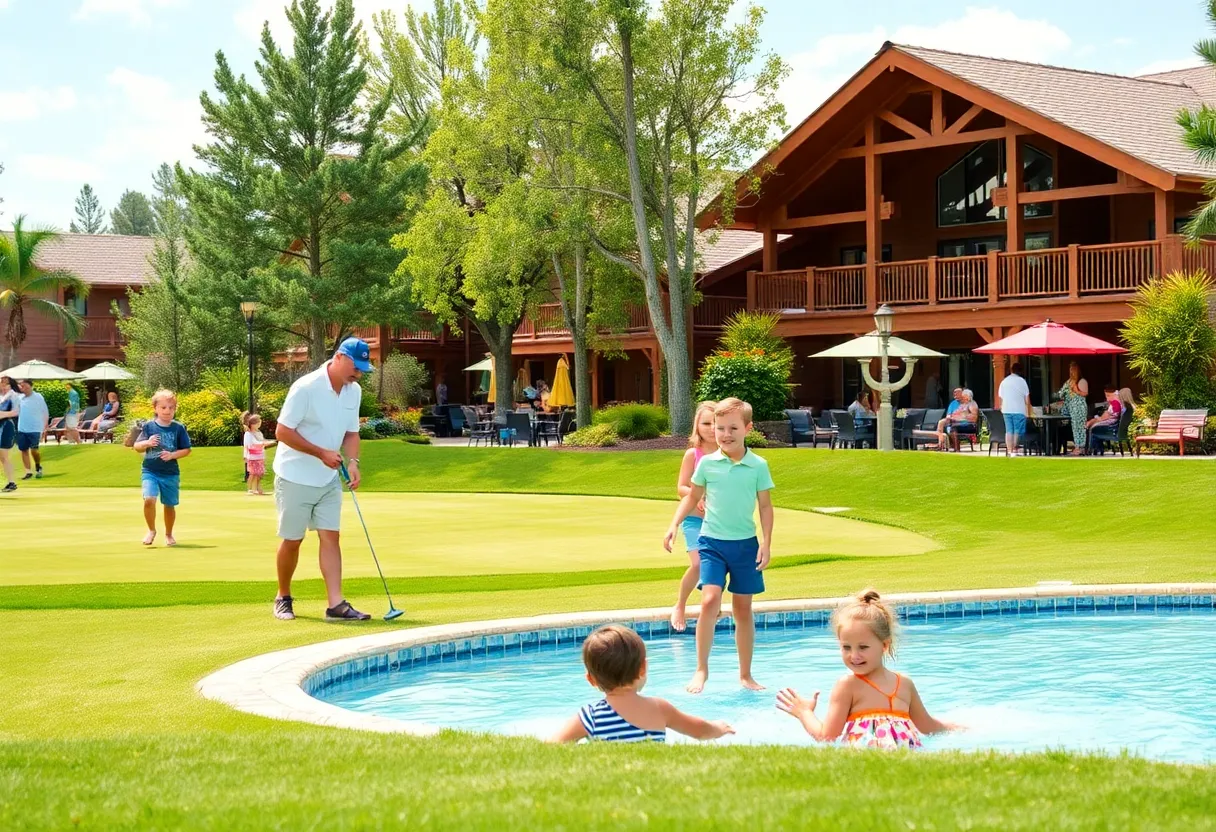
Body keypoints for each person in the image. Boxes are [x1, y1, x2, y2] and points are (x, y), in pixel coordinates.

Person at [663, 397, 774, 694]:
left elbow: (765, 506)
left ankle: (746, 675)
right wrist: (673, 525)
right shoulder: (707, 464)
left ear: (747, 428)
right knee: (709, 600)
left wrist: (766, 543)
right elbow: (690, 496)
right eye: (720, 428)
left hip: (746, 545)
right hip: (711, 542)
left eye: (733, 428)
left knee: (742, 609)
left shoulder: (758, 466)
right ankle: (701, 669)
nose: (725, 434)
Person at [776, 589, 958, 749]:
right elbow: (827, 737)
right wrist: (804, 712)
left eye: (863, 647)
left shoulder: (905, 684)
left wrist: (958, 727)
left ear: (884, 645)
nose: (854, 655)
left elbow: (927, 727)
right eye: (846, 647)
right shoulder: (848, 685)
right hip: (865, 764)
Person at [272, 337, 372, 622]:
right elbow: (282, 432)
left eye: (363, 369)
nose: (358, 374)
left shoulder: (354, 391)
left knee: (331, 537)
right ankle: (283, 597)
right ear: (339, 357)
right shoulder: (306, 387)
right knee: (293, 540)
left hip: (328, 478)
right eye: (355, 367)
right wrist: (320, 453)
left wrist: (353, 462)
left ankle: (335, 605)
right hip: (294, 475)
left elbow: (351, 433)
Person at [549, 625, 734, 744]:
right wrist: (718, 728)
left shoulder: (591, 716)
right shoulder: (659, 709)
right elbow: (699, 730)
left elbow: (552, 746)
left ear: (591, 679)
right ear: (643, 668)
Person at [670, 400, 717, 633]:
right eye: (705, 423)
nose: (711, 428)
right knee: (698, 563)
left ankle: (710, 602)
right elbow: (681, 487)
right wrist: (696, 497)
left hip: (718, 521)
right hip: (694, 519)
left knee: (717, 564)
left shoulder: (728, 454)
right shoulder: (693, 454)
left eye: (715, 423)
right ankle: (680, 605)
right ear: (697, 426)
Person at [132, 389, 192, 547]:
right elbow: (136, 446)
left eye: (171, 408)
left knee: (169, 505)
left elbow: (187, 450)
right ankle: (151, 530)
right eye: (163, 407)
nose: (167, 411)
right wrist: (147, 443)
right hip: (150, 471)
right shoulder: (149, 427)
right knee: (149, 499)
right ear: (155, 408)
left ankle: (169, 534)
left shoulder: (178, 428)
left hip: (170, 473)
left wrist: (172, 455)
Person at [1053, 361, 1089, 456]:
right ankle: (1078, 447)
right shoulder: (1068, 382)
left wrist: (1076, 390)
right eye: (1070, 370)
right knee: (1075, 427)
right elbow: (1061, 393)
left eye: (1073, 370)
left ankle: (1080, 448)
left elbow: (1085, 393)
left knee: (1080, 427)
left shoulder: (1082, 381)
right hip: (1071, 408)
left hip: (1079, 408)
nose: (1071, 372)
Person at [995, 362, 1031, 456]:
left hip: (1006, 409)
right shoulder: (1022, 381)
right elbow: (1027, 399)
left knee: (1009, 430)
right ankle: (1015, 449)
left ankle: (1009, 450)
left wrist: (1002, 407)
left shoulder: (1004, 381)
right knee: (1017, 431)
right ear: (1021, 371)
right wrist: (1029, 412)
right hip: (1019, 409)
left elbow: (1000, 397)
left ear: (1011, 370)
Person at [16, 379, 48, 479]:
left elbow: (45, 411)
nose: (23, 388)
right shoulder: (19, 398)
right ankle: (28, 472)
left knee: (34, 450)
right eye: (21, 386)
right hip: (22, 428)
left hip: (35, 428)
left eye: (25, 386)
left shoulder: (38, 397)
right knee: (24, 450)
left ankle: (38, 466)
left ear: (30, 386)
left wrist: (45, 427)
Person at [242, 412, 276, 496]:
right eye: (257, 423)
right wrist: (245, 455)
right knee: (253, 473)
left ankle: (257, 488)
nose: (259, 424)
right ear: (252, 424)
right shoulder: (248, 434)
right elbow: (251, 444)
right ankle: (250, 489)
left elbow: (262, 441)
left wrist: (270, 442)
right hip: (252, 457)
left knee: (259, 473)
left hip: (260, 456)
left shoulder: (259, 433)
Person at [1085, 387, 1123, 454]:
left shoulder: (1115, 402)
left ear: (1114, 395)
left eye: (1108, 395)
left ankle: (1090, 449)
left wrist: (1099, 419)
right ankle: (1096, 448)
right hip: (1112, 423)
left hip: (1112, 425)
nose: (1107, 398)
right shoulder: (1116, 402)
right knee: (1092, 424)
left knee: (1092, 426)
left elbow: (1110, 415)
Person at [0, 376, 20, 492]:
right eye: (1, 383)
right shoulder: (1, 397)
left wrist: (3, 414)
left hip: (7, 425)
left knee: (4, 456)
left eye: (5, 384)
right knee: (2, 457)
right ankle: (10, 482)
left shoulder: (14, 396)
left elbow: (17, 411)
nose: (3, 386)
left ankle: (11, 482)